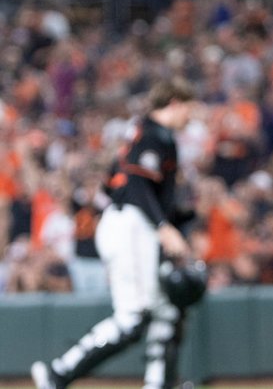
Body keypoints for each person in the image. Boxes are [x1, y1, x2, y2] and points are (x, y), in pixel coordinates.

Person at [32, 78, 198, 389]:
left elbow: (115, 182)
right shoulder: (153, 134)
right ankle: (57, 374)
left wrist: (176, 220)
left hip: (133, 223)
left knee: (166, 310)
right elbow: (135, 185)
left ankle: (159, 383)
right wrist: (163, 227)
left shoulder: (143, 133)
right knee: (133, 318)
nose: (192, 115)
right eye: (189, 107)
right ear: (174, 101)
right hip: (130, 224)